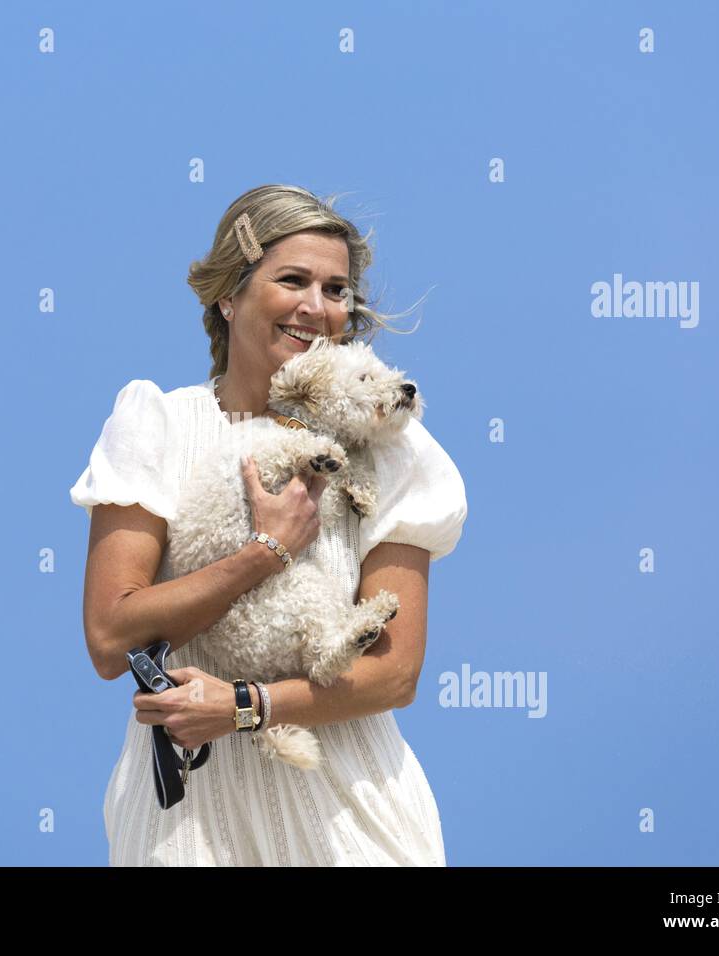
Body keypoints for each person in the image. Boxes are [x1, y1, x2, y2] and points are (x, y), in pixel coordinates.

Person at [69, 184, 468, 866]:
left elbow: (396, 672)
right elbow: (111, 637)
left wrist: (245, 706)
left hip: (350, 821)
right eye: (293, 281)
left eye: (337, 290)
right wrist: (266, 552)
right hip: (185, 826)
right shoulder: (156, 426)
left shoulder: (394, 450)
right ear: (230, 295)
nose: (317, 307)